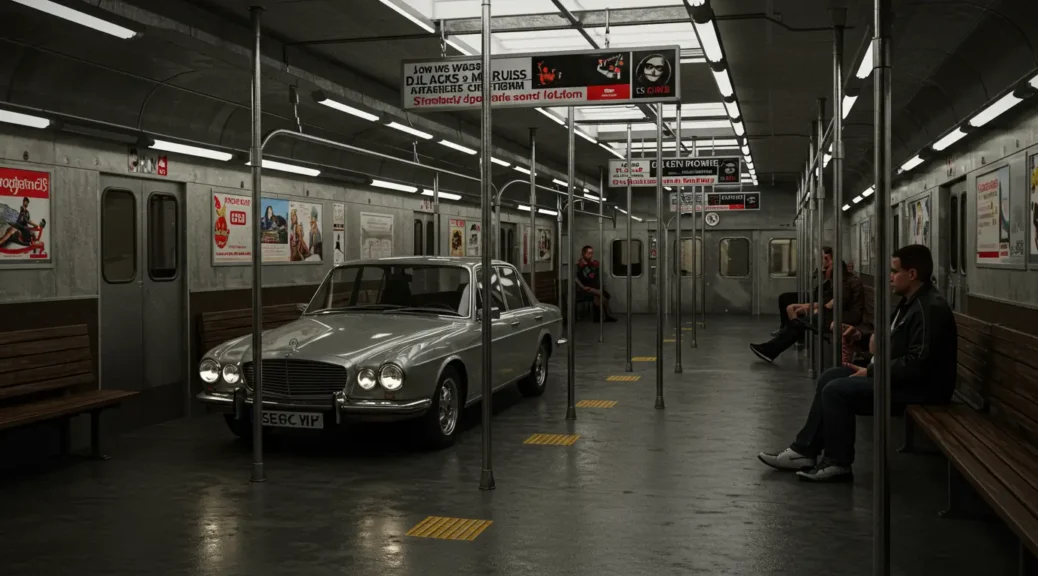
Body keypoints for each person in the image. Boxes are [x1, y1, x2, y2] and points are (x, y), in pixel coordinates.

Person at [757, 244, 957, 482]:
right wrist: (860, 337)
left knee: (837, 391)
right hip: (903, 378)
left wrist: (873, 370)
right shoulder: (911, 302)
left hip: (923, 389)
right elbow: (894, 343)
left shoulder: (928, 309)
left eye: (894, 272)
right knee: (830, 377)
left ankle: (838, 462)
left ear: (912, 274)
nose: (890, 277)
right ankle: (803, 451)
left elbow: (919, 363)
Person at [751, 258, 863, 363]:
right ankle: (770, 349)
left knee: (797, 324)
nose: (826, 270)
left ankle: (769, 350)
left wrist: (822, 309)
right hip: (838, 314)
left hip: (843, 318)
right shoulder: (843, 281)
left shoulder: (844, 284)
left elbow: (839, 302)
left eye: (829, 268)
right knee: (797, 323)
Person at [774, 246, 833, 336]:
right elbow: (814, 278)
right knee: (783, 297)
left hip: (820, 297)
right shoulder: (822, 267)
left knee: (787, 300)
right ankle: (784, 327)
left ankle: (792, 332)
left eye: (823, 257)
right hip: (815, 293)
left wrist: (825, 271)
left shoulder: (833, 269)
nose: (821, 259)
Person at [575, 245, 617, 322]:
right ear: (583, 254)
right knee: (600, 295)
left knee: (602, 295)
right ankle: (606, 315)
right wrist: (583, 287)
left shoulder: (593, 264)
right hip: (584, 288)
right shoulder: (579, 266)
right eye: (588, 253)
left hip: (594, 287)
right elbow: (576, 279)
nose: (590, 255)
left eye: (591, 253)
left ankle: (601, 316)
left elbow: (595, 276)